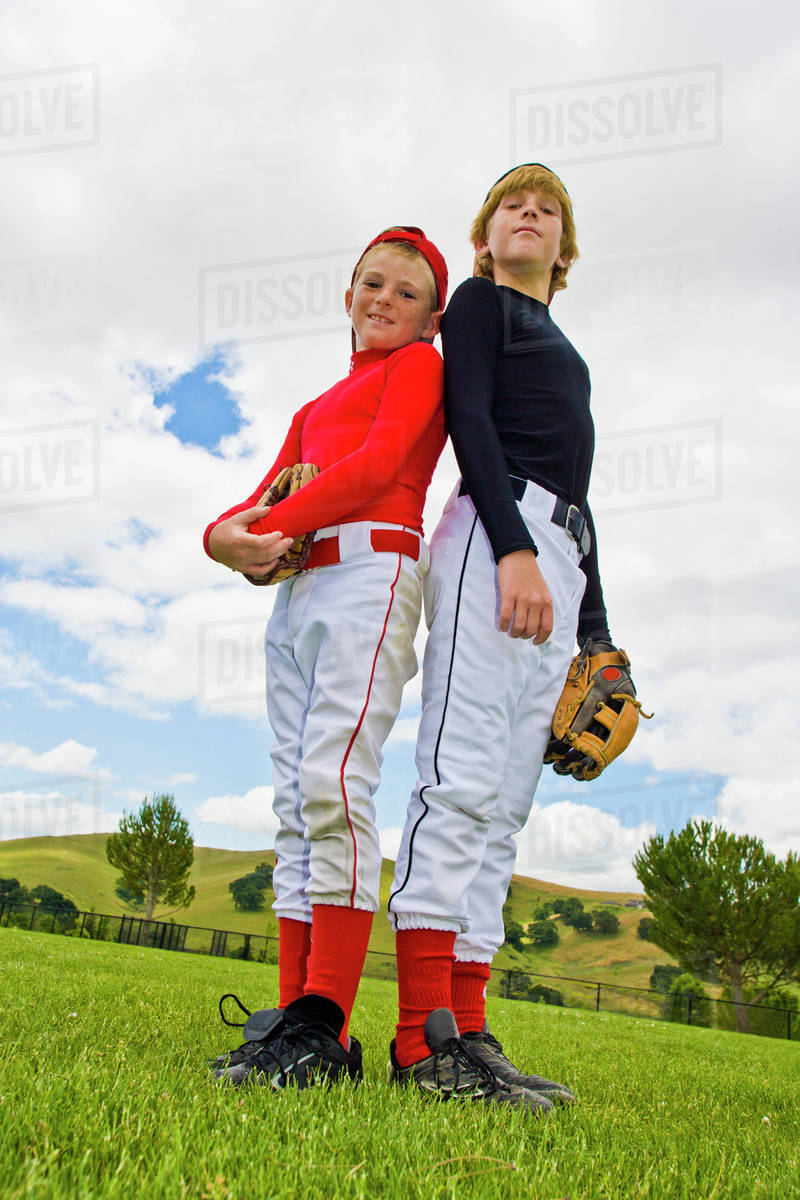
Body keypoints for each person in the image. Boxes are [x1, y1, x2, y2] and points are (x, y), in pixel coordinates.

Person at [387, 164, 619, 1108]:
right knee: (462, 777)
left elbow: (585, 500)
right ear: (486, 239)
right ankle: (418, 1041)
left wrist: (598, 636)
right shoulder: (481, 304)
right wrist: (513, 549)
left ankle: (471, 1031)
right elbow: (470, 422)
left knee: (505, 803)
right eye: (511, 206)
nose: (530, 213)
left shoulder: (566, 346)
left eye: (548, 208)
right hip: (498, 533)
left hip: (556, 550)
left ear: (565, 249)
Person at [202, 226, 449, 1089]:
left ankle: (326, 1017)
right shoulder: (312, 408)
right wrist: (218, 537)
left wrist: (264, 529)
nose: (384, 298)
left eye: (406, 292)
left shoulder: (418, 367)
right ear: (346, 296)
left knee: (333, 781)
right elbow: (259, 496)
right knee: (292, 796)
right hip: (300, 586)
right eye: (370, 283)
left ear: (431, 315)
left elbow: (382, 462)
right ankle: (294, 1025)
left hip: (373, 570)